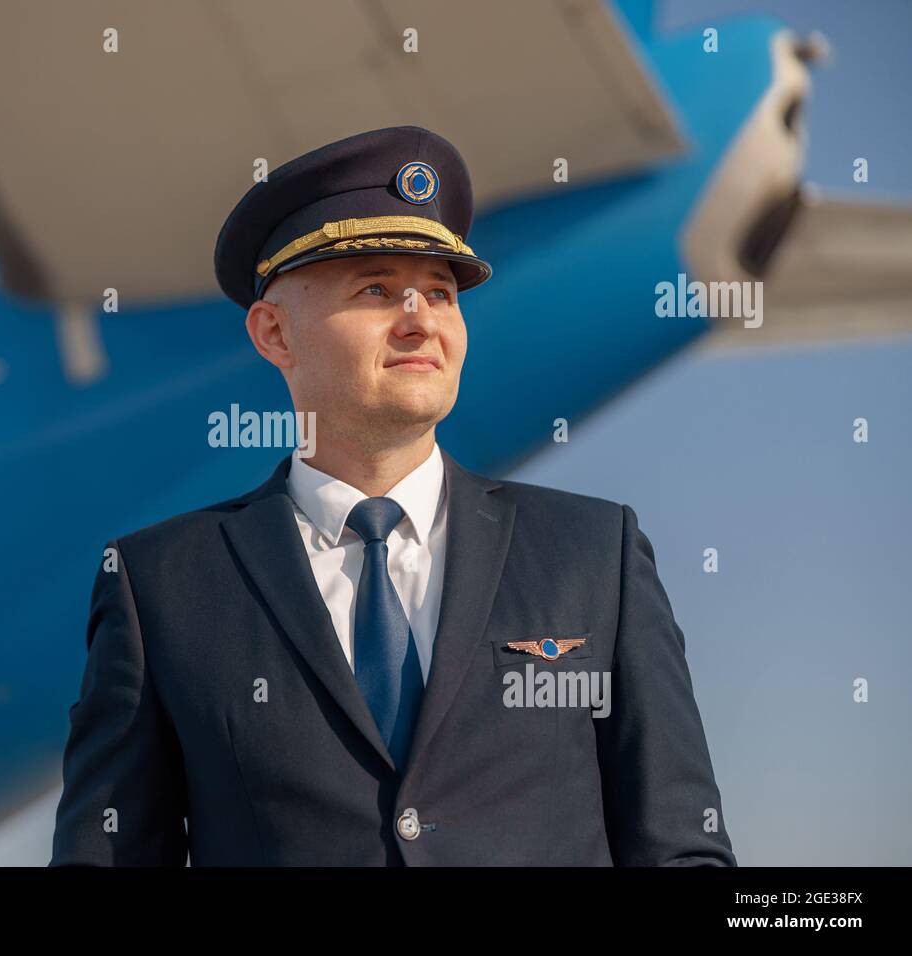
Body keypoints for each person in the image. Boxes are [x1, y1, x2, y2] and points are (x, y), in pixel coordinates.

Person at [49, 126, 735, 866]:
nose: (421, 319)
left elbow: (681, 850)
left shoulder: (595, 558)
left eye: (440, 292)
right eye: (376, 288)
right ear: (274, 333)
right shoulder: (161, 586)